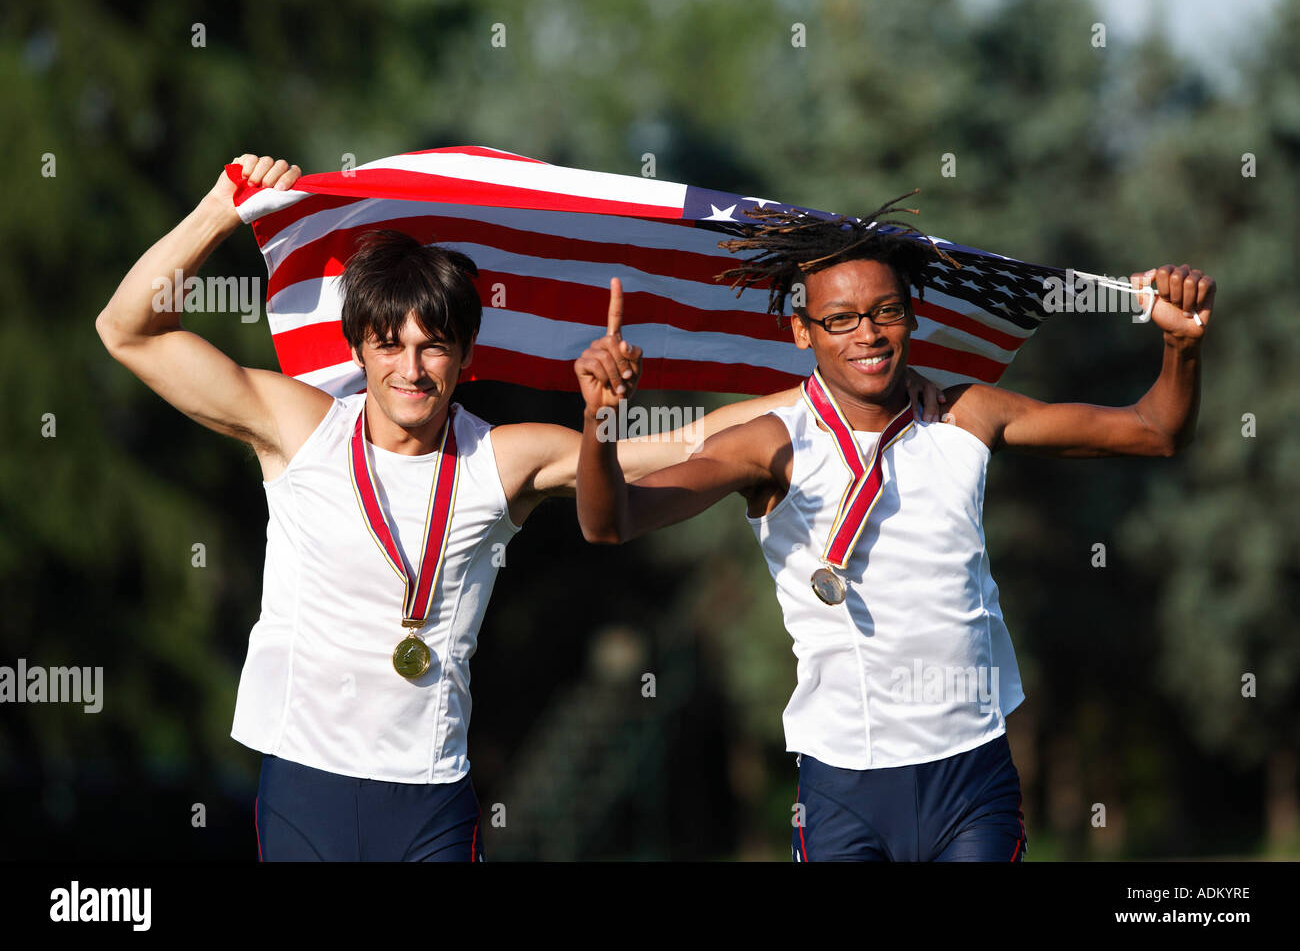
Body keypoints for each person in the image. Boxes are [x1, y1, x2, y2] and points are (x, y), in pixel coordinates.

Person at [96, 155, 943, 861]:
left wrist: (849, 390)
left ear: (466, 355)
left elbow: (681, 445)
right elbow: (126, 329)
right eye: (389, 345)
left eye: (434, 346)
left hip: (431, 794)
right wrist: (218, 209)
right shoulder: (298, 427)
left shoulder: (499, 456)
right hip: (306, 782)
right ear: (361, 349)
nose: (411, 368)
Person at [573, 199, 1214, 861]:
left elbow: (1154, 431)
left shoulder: (967, 414)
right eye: (840, 320)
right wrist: (600, 422)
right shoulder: (769, 442)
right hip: (845, 784)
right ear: (803, 331)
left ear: (912, 314)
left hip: (973, 774)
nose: (868, 335)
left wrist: (1181, 344)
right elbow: (610, 522)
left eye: (885, 312)